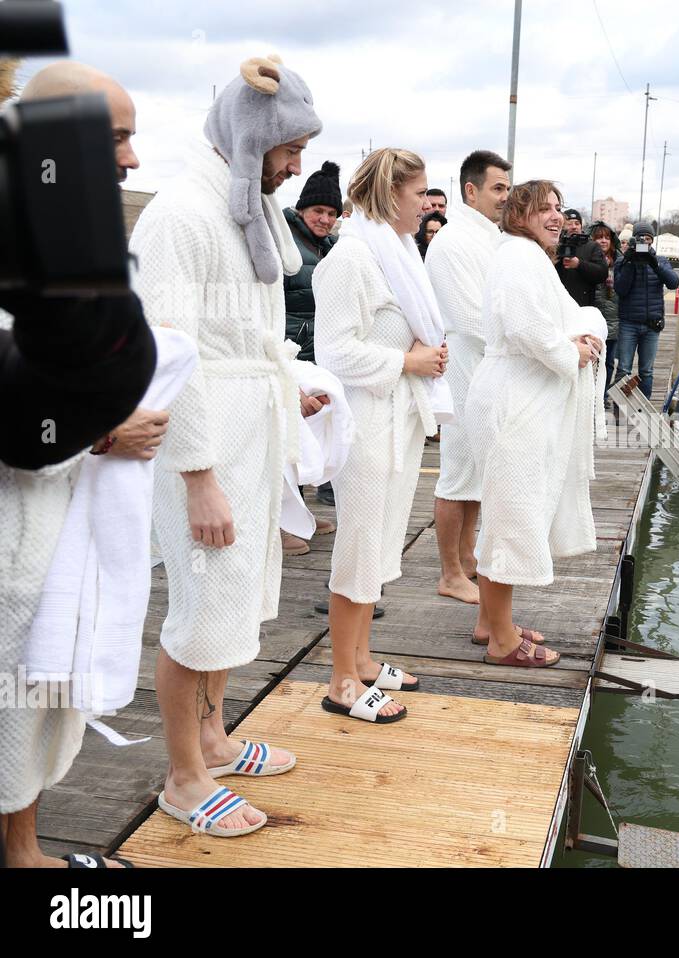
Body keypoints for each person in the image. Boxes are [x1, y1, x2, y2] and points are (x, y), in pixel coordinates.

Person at [129, 54, 323, 838]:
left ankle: (213, 735)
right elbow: (168, 351)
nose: (297, 164)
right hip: (201, 446)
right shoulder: (178, 213)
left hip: (250, 426)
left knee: (238, 597)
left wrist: (290, 385)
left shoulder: (248, 209)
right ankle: (182, 776)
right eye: (288, 148)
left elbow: (247, 338)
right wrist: (198, 474)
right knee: (203, 605)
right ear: (250, 139)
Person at [0, 60, 159, 869]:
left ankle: (22, 850)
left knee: (26, 703)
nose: (132, 160)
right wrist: (102, 431)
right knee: (10, 698)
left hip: (47, 517)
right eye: (117, 138)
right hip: (13, 521)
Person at [313, 148, 452, 723]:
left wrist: (421, 362)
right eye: (419, 193)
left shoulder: (397, 254)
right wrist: (408, 362)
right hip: (369, 425)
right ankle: (341, 678)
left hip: (399, 421)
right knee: (359, 543)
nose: (425, 203)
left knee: (381, 541)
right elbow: (335, 350)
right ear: (390, 193)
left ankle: (364, 658)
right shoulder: (351, 258)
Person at [465, 180, 606, 667]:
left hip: (515, 395)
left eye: (558, 208)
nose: (554, 216)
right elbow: (527, 328)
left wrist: (585, 334)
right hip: (513, 401)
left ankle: (491, 621)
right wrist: (573, 350)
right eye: (541, 208)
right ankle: (502, 641)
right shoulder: (518, 258)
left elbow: (575, 313)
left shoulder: (528, 258)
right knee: (511, 513)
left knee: (508, 509)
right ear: (518, 214)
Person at [424, 149, 510, 607]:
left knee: (477, 473)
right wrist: (523, 342)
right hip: (462, 367)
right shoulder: (453, 242)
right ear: (471, 190)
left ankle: (467, 557)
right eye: (497, 188)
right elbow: (469, 318)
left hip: (488, 370)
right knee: (456, 474)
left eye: (507, 189)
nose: (504, 198)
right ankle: (450, 572)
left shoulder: (491, 238)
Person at [282, 160, 342, 548]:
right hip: (290, 349)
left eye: (332, 213)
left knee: (308, 439)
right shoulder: (284, 242)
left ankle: (299, 514)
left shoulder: (332, 246)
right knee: (286, 438)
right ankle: (280, 525)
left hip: (317, 354)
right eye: (318, 211)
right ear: (303, 209)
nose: (325, 219)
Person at [613, 221, 679, 398]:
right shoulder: (623, 261)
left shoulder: (661, 261)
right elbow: (621, 289)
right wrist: (630, 261)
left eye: (648, 239)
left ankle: (644, 409)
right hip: (629, 323)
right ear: (634, 240)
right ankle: (621, 407)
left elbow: (674, 283)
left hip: (652, 325)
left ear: (652, 241)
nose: (645, 242)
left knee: (647, 371)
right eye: (641, 239)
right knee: (624, 368)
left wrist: (653, 262)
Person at [590, 220, 621, 399]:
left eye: (606, 238)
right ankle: (591, 395)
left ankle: (602, 395)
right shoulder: (588, 259)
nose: (603, 241)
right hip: (594, 317)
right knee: (592, 359)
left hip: (613, 318)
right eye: (599, 237)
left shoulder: (619, 261)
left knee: (609, 361)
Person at [555, 208, 608, 308]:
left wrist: (579, 264)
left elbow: (602, 273)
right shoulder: (554, 245)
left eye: (577, 223)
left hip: (583, 306)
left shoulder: (592, 246)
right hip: (559, 305)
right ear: (562, 226)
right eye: (569, 224)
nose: (574, 227)